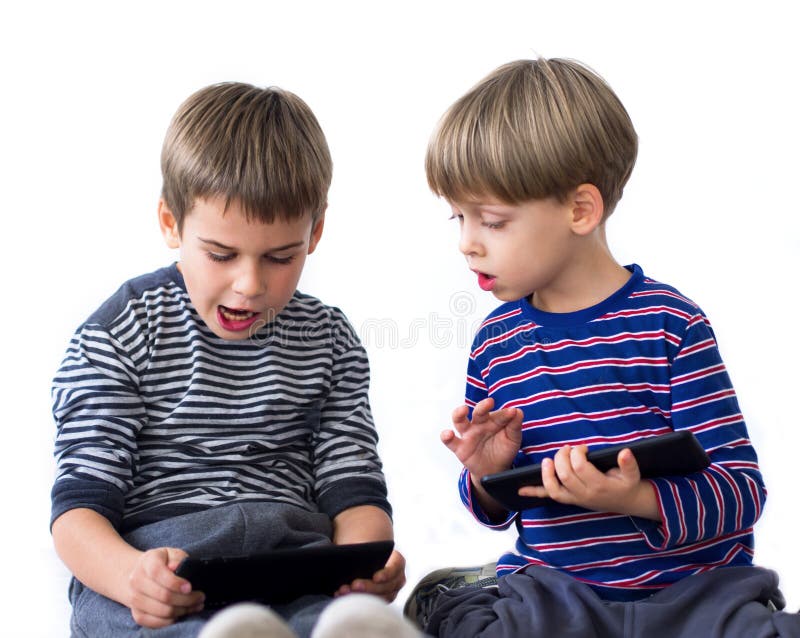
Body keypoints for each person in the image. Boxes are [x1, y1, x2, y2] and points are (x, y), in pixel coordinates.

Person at [406, 57, 800, 637]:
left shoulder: (670, 324)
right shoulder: (497, 341)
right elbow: (497, 508)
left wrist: (637, 498)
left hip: (692, 595)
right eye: (458, 218)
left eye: (491, 221)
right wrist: (487, 477)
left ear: (580, 210)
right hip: (557, 593)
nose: (467, 244)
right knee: (474, 624)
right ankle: (464, 592)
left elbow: (741, 491)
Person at [50, 82, 416, 638]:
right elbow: (78, 511)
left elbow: (355, 490)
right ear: (171, 224)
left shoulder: (330, 340)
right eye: (221, 255)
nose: (249, 285)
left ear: (314, 233)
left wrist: (363, 565)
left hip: (292, 565)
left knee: (339, 622)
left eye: (279, 257)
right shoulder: (120, 331)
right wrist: (131, 579)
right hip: (161, 568)